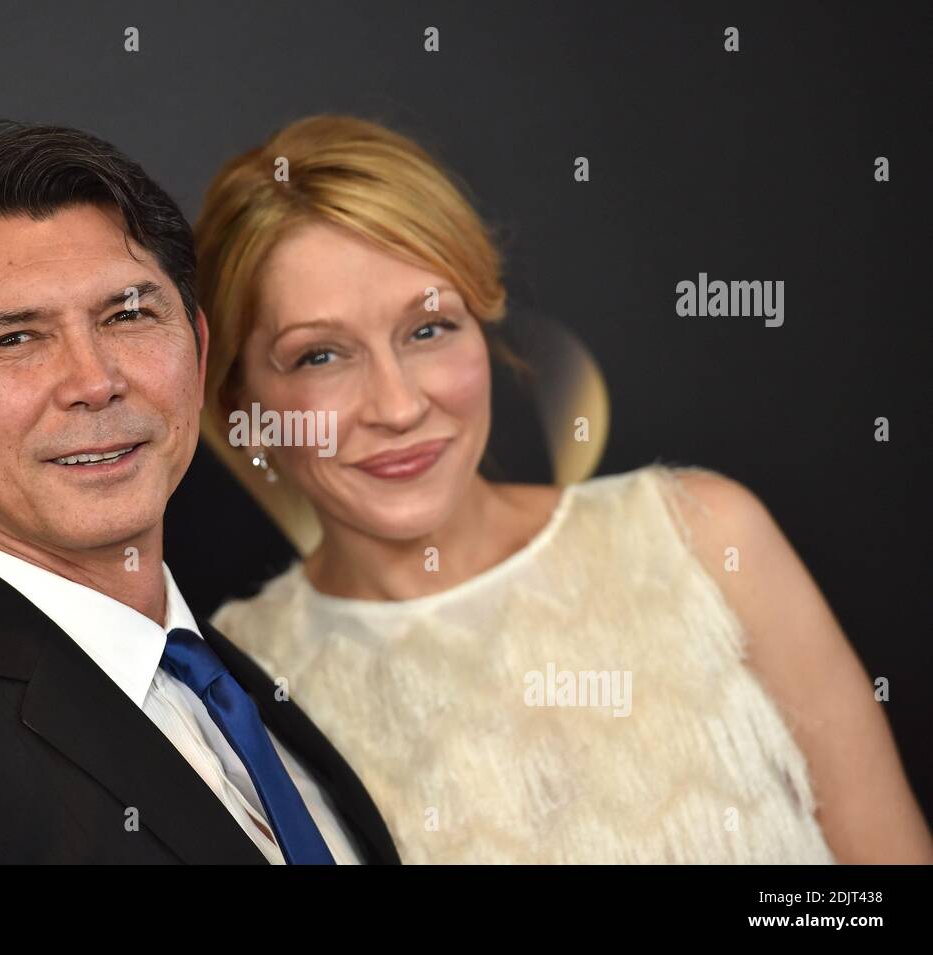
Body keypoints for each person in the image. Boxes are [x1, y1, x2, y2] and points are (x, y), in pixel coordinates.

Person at [195, 114, 933, 864]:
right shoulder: (239, 689)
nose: (398, 405)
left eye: (428, 330)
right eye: (320, 354)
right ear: (239, 408)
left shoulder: (703, 538)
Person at [0, 120, 399, 865]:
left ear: (198, 347)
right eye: (16, 339)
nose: (94, 381)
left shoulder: (240, 682)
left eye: (128, 314)